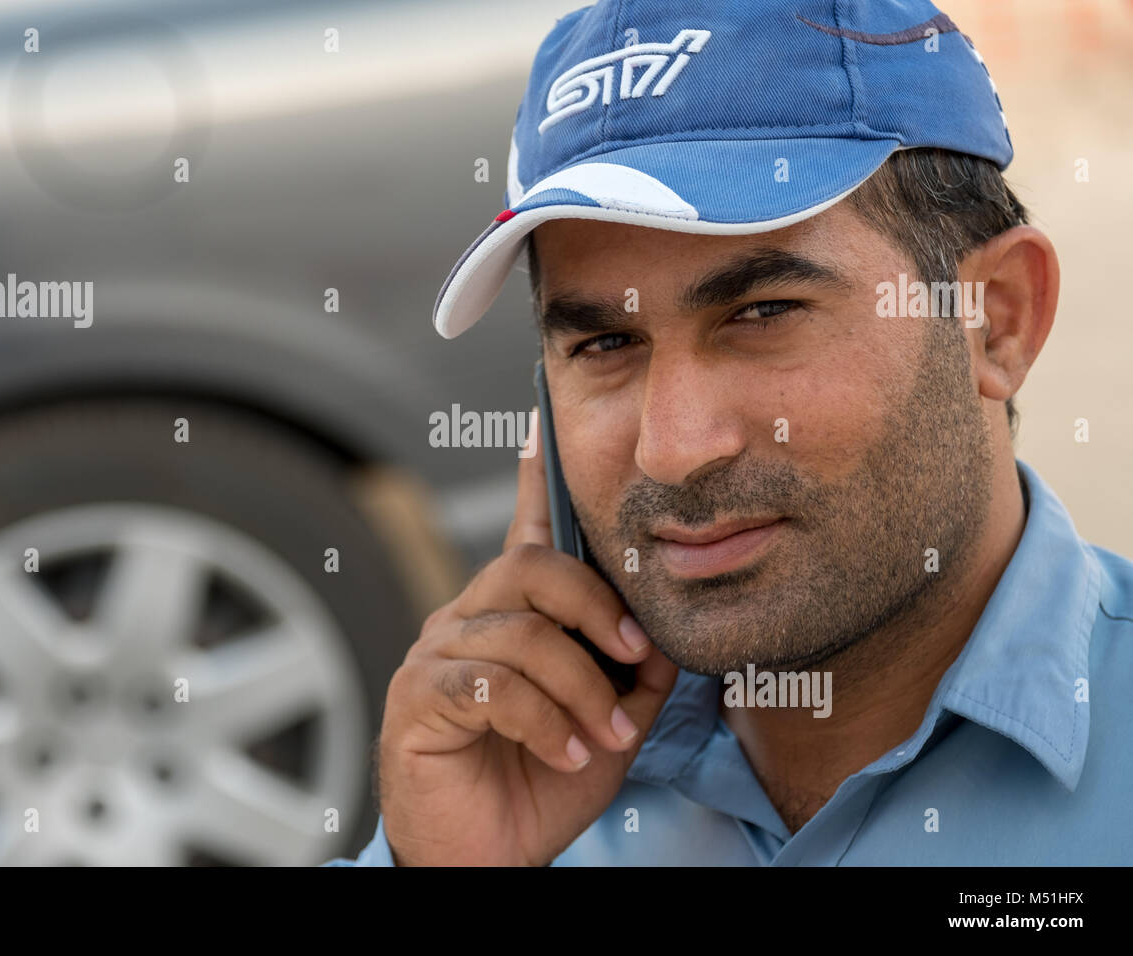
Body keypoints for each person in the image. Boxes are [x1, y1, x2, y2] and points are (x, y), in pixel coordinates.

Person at [324, 0, 1133, 865]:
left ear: (997, 320)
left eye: (763, 312)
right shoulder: (516, 783)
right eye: (605, 343)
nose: (671, 448)